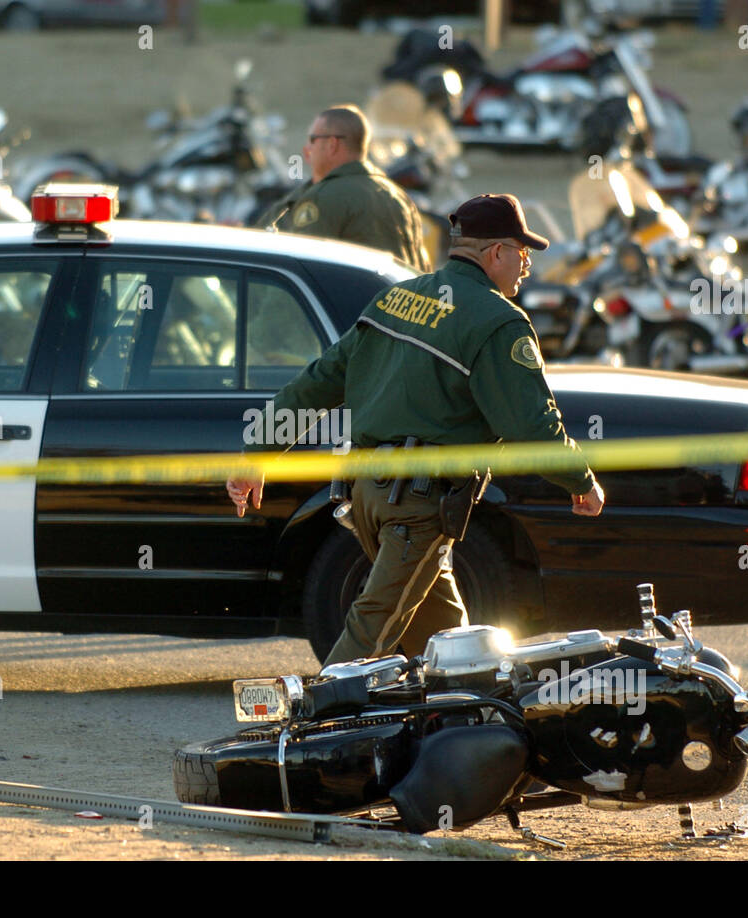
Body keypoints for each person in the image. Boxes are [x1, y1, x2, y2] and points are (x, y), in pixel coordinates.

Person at [228, 193, 605, 665]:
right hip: (418, 507)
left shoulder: (396, 297)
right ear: (495, 252)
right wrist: (580, 480)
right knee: (370, 633)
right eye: (522, 250)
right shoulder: (498, 322)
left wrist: (259, 451)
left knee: (448, 641)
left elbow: (318, 382)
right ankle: (313, 710)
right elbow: (531, 426)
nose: (527, 263)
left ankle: (464, 701)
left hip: (365, 495)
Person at [256, 104, 430, 271]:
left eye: (313, 139)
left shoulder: (323, 197)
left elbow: (302, 268)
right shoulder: (399, 197)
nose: (307, 148)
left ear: (332, 144)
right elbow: (422, 270)